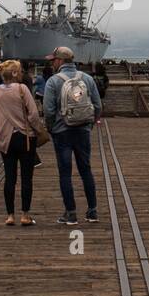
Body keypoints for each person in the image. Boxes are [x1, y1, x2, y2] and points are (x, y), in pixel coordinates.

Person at [43, 46, 102, 226]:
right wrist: (89, 124)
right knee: (86, 170)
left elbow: (48, 110)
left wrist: (51, 129)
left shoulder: (53, 81)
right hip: (83, 130)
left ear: (60, 61)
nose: (52, 63)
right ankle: (92, 211)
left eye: (53, 60)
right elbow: (98, 105)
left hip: (62, 132)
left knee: (65, 173)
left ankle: (70, 213)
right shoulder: (87, 78)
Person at [0, 59, 43, 225]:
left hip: (5, 139)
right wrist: (38, 130)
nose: (20, 74)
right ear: (13, 73)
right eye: (18, 71)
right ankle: (25, 215)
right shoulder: (22, 88)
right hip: (25, 137)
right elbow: (33, 114)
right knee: (27, 177)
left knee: (10, 177)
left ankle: (10, 215)